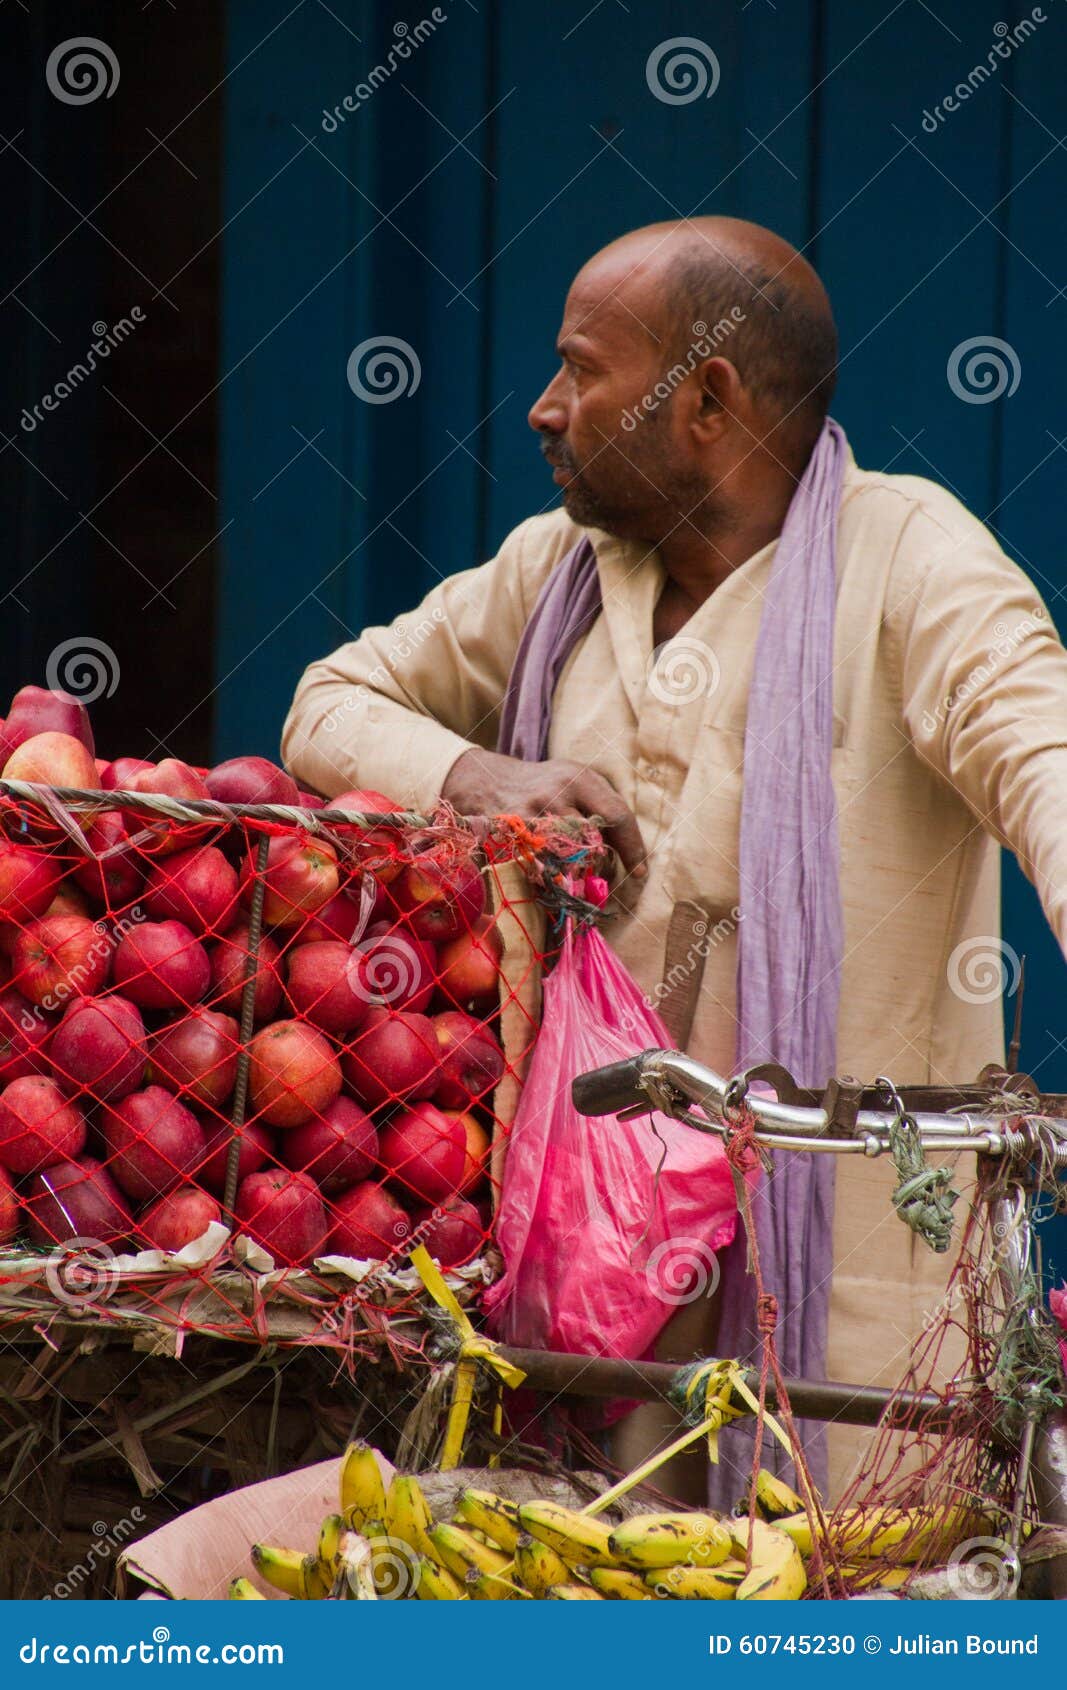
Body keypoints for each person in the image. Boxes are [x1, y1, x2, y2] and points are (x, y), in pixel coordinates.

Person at [282, 217, 1067, 1503]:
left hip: (835, 1308)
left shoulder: (910, 562)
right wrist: (480, 774)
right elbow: (327, 701)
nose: (542, 410)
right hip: (574, 1298)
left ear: (702, 398)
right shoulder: (557, 571)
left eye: (579, 372)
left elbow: (1031, 751)